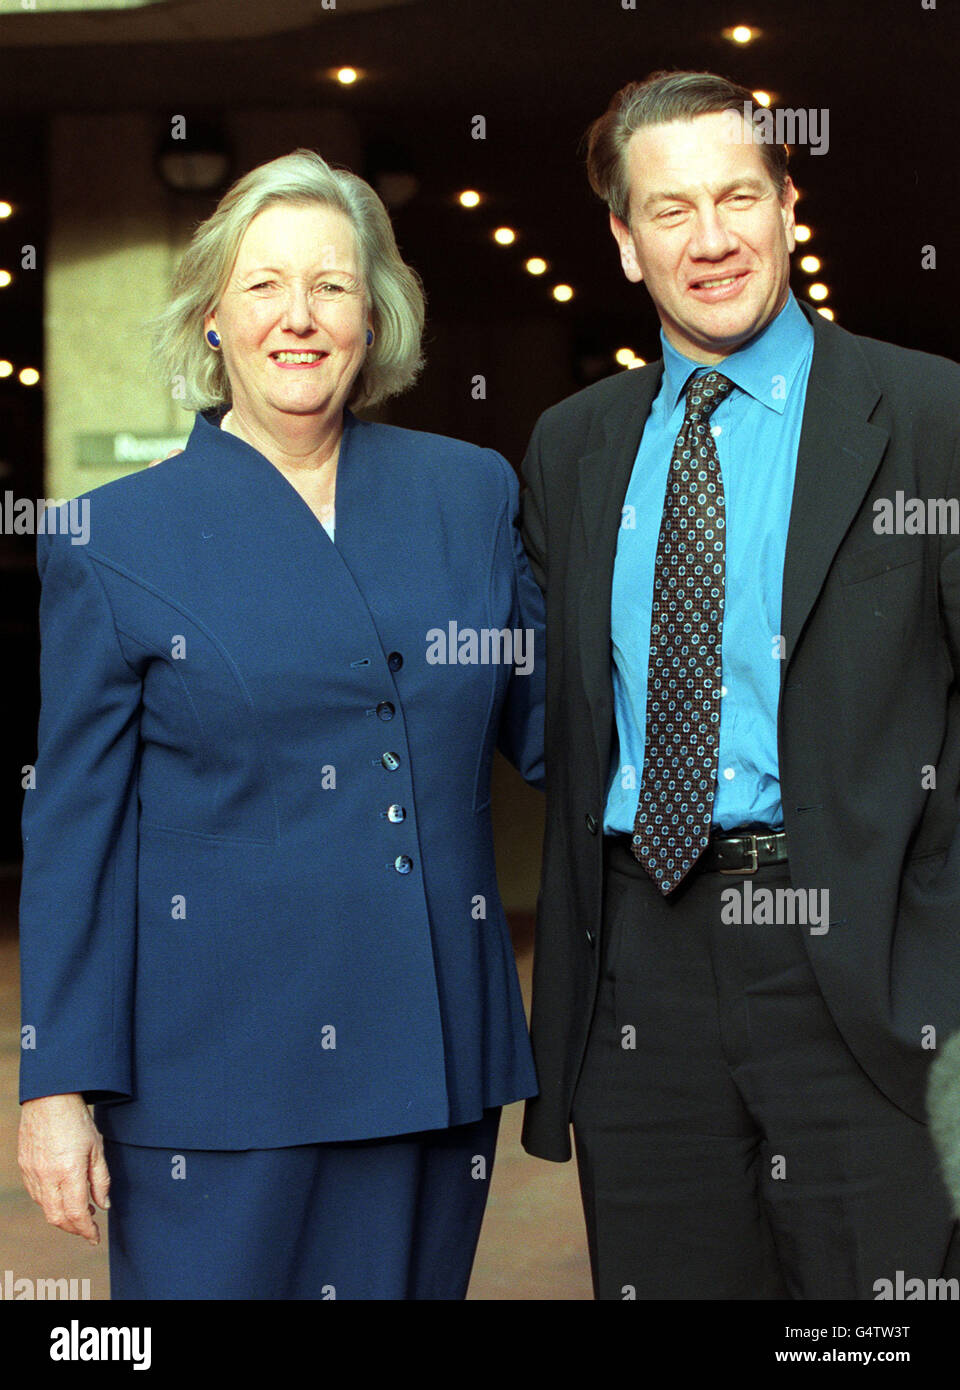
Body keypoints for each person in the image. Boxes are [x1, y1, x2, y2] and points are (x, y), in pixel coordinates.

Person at [17, 148, 545, 1301]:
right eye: (263, 286)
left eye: (332, 285)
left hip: (429, 1049)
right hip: (215, 1069)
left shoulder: (470, 494)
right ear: (213, 315)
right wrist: (55, 1085)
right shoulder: (114, 538)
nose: (297, 318)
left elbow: (561, 724)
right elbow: (76, 831)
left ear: (377, 315)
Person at [519, 69, 960, 1299]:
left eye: (737, 198)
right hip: (640, 969)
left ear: (786, 207)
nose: (710, 240)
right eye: (670, 210)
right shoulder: (573, 445)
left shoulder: (929, 415)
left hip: (865, 966)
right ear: (623, 241)